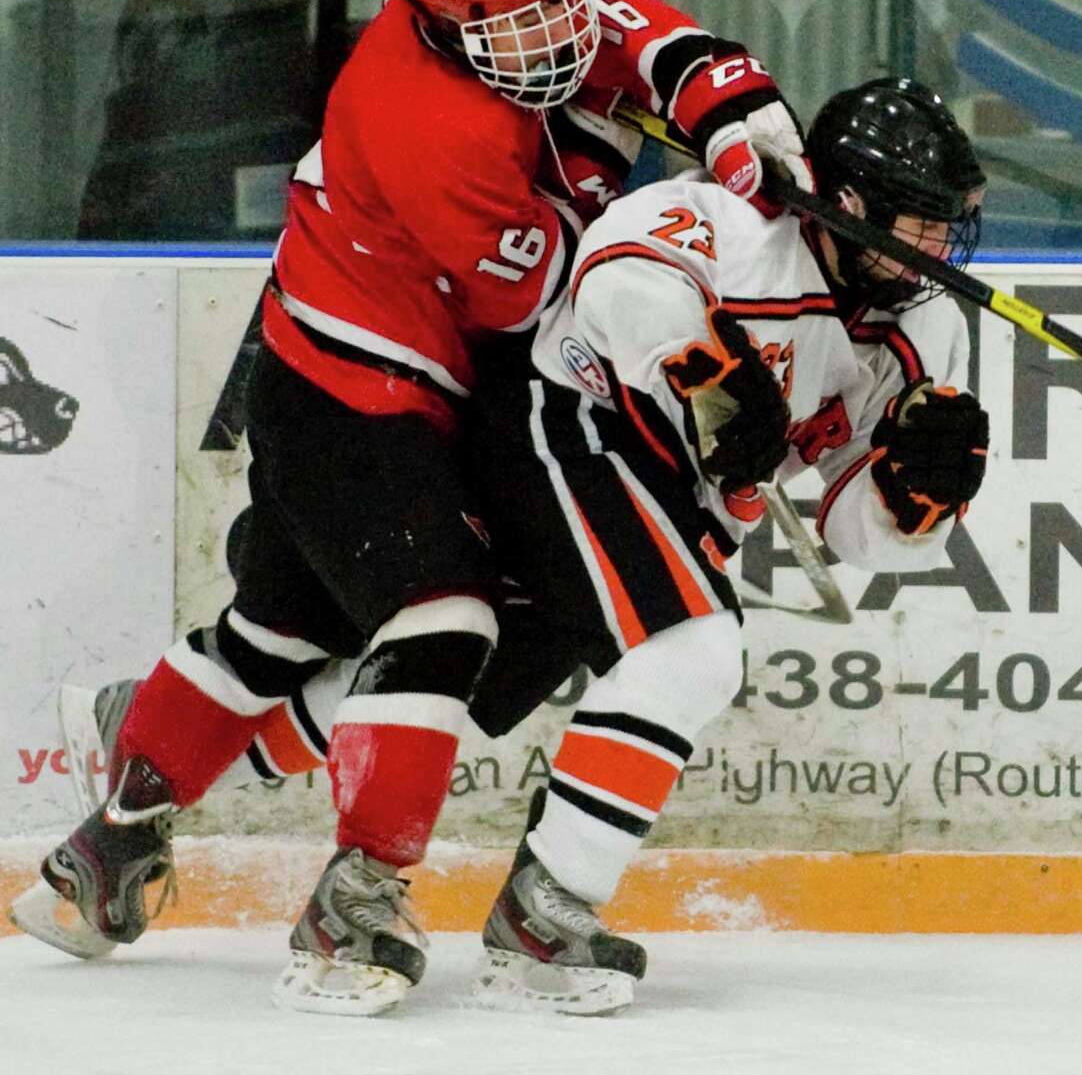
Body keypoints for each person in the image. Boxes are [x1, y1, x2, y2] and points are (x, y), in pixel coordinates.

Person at [9, 0, 813, 1015]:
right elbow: (543, 300)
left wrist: (729, 108)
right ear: (438, 19)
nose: (549, 30)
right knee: (446, 618)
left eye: (550, 0)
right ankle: (358, 893)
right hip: (356, 394)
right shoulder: (429, 121)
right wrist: (627, 182)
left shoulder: (515, 0)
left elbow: (636, 34)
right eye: (514, 21)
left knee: (274, 630)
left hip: (345, 369)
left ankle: (104, 853)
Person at [24, 78, 989, 1017]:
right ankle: (539, 917)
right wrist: (713, 376)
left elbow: (861, 531)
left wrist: (917, 494)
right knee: (692, 647)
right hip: (567, 424)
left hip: (669, 497)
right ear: (850, 203)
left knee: (453, 687)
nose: (943, 248)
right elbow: (619, 280)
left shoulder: (929, 325)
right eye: (922, 227)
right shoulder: (736, 225)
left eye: (954, 226)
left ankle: (138, 774)